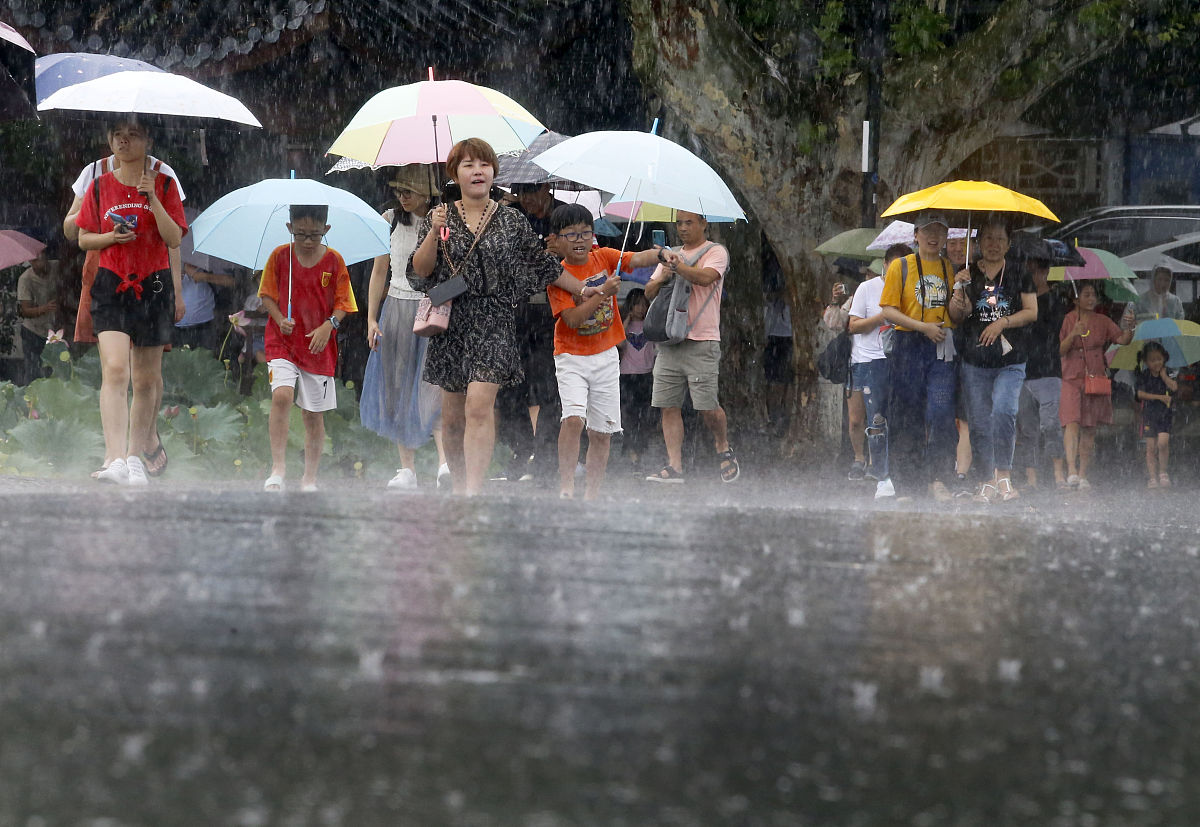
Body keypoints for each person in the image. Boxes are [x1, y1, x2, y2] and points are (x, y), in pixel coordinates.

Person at [408, 137, 591, 497]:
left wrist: (582, 290)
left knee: (480, 406)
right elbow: (420, 271)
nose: (478, 171)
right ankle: (460, 486)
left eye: (485, 165)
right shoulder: (440, 217)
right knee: (453, 419)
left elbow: (542, 266)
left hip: (494, 320)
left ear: (494, 173)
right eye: (468, 165)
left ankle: (474, 491)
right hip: (452, 322)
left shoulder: (511, 220)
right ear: (455, 173)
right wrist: (433, 231)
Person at [74, 117, 187, 485]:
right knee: (116, 370)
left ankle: (136, 456)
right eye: (117, 136)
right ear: (110, 140)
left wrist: (152, 198)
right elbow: (82, 238)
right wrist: (110, 238)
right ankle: (114, 458)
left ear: (148, 140)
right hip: (110, 284)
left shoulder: (166, 183)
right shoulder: (98, 185)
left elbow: (173, 238)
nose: (123, 142)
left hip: (153, 287)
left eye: (132, 135)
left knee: (146, 378)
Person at [548, 203, 663, 499]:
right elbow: (573, 320)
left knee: (602, 431)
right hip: (571, 356)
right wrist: (603, 293)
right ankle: (566, 487)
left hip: (606, 356)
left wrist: (662, 254)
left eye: (585, 233)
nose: (579, 240)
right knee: (574, 419)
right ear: (557, 240)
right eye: (571, 235)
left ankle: (592, 495)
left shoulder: (605, 257)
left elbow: (637, 259)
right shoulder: (556, 275)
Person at [257, 204, 358, 492]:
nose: (308, 241)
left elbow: (344, 304)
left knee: (313, 414)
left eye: (315, 234)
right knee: (282, 396)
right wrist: (279, 318)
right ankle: (278, 468)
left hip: (317, 346)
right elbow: (266, 296)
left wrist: (329, 326)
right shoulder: (280, 256)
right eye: (300, 234)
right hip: (283, 341)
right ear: (289, 228)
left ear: (326, 229)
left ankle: (309, 477)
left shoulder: (335, 261)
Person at [359, 165, 448, 490]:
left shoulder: (442, 220)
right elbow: (379, 271)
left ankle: (443, 464)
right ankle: (406, 468)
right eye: (399, 191)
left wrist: (439, 229)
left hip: (430, 308)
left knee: (433, 385)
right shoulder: (389, 220)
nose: (403, 197)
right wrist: (371, 317)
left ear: (426, 191)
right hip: (395, 307)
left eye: (409, 191)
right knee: (395, 386)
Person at [947, 217, 1038, 504]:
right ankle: (986, 479)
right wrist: (957, 289)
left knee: (1003, 411)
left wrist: (1003, 322)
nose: (994, 245)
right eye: (988, 239)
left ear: (1009, 245)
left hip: (1011, 359)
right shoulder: (967, 273)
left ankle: (1004, 476)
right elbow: (957, 316)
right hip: (975, 360)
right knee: (978, 422)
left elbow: (1032, 311)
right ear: (978, 243)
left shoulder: (1019, 272)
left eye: (1000, 239)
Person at [643, 210, 736, 484]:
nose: (683, 228)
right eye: (679, 223)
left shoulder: (716, 251)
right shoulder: (670, 255)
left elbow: (706, 278)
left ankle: (723, 445)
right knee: (668, 405)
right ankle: (675, 465)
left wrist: (676, 265)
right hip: (670, 340)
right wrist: (661, 276)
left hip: (702, 340)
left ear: (703, 223)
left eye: (689, 222)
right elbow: (649, 291)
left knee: (707, 407)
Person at [879, 210, 958, 501]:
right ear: (916, 236)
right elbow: (888, 309)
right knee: (907, 415)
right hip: (909, 343)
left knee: (940, 412)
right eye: (927, 231)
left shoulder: (950, 269)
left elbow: (954, 312)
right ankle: (908, 482)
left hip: (940, 344)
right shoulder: (901, 266)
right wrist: (921, 327)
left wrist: (962, 295)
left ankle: (938, 477)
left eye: (939, 231)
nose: (933, 237)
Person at [495, 182, 567, 483]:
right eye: (521, 193)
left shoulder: (566, 216)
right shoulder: (509, 216)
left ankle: (546, 453)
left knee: (547, 386)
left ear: (547, 189)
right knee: (512, 386)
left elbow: (587, 255)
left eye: (531, 193)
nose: (526, 200)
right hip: (515, 310)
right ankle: (520, 449)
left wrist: (559, 253)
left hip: (551, 312)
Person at [848, 243, 910, 500]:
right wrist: (882, 317)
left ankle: (902, 472)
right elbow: (853, 325)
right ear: (884, 265)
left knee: (901, 417)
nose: (897, 272)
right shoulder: (867, 288)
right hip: (869, 360)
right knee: (875, 420)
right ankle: (881, 475)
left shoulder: (912, 289)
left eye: (903, 267)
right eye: (893, 266)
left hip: (903, 358)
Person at [1058, 282, 1134, 490]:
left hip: (1094, 378)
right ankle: (1071, 469)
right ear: (1076, 299)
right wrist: (1074, 333)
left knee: (1089, 427)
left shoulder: (1103, 320)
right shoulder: (1068, 319)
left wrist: (1130, 326)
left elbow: (1123, 339)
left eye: (1093, 295)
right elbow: (1060, 350)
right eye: (1086, 295)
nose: (1091, 299)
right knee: (1071, 422)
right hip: (1071, 377)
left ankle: (1083, 474)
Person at [1014, 252, 1069, 490]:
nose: (1030, 275)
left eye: (1034, 270)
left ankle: (1058, 475)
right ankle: (1032, 478)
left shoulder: (1057, 300)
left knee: (1051, 425)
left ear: (1045, 271)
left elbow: (1053, 332)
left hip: (1048, 370)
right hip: (1023, 370)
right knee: (1027, 429)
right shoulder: (1021, 300)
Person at [618, 287, 657, 471]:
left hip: (646, 375)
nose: (641, 308)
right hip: (627, 375)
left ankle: (640, 449)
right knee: (629, 415)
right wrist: (627, 318)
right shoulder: (624, 325)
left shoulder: (650, 325)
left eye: (644, 304)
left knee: (647, 415)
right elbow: (618, 342)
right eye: (637, 305)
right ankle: (631, 450)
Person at [1135, 340, 1177, 489]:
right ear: (1146, 361)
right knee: (1150, 447)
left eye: (1159, 359)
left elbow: (1174, 387)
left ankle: (1163, 472)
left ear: (1164, 358)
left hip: (1165, 414)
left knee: (1163, 443)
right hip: (1149, 415)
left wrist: (1165, 377)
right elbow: (1140, 394)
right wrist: (1159, 397)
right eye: (1152, 360)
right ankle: (1152, 477)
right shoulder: (1144, 375)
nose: (1156, 363)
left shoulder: (1169, 371)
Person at [16, 248, 60, 384]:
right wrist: (44, 308)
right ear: (31, 262)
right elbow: (25, 311)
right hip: (33, 331)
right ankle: (30, 401)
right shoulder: (25, 279)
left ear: (47, 257)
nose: (41, 266)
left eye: (43, 261)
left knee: (55, 369)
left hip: (55, 330)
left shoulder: (57, 266)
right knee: (32, 370)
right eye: (36, 262)